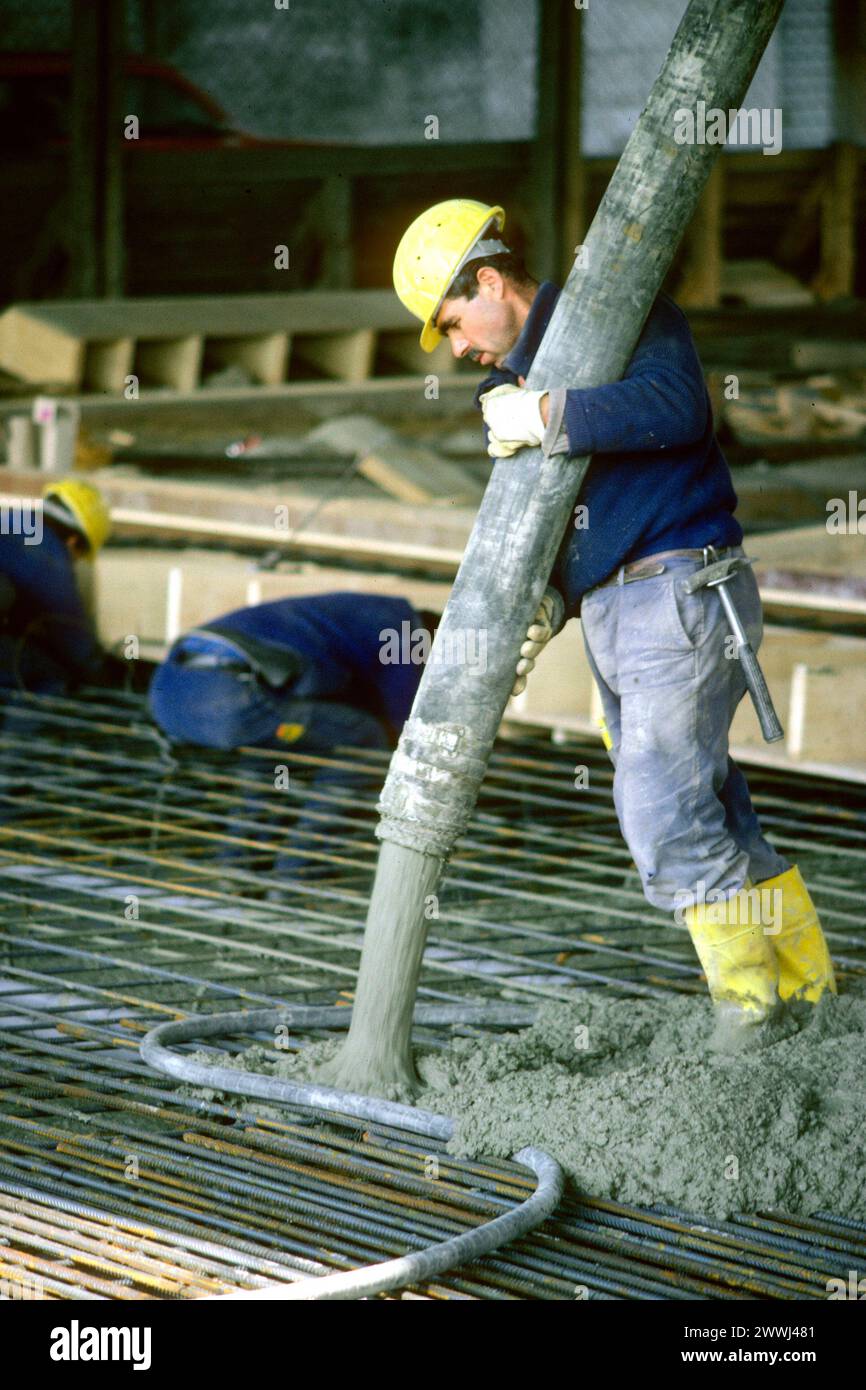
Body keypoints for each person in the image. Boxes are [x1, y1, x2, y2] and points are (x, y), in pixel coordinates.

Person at [392, 198, 835, 1041]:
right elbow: (568, 522)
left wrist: (552, 417)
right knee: (713, 806)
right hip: (621, 611)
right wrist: (548, 607)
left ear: (489, 280)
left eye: (452, 322)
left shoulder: (627, 312)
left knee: (663, 812)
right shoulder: (505, 393)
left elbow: (679, 410)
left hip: (678, 592)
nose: (457, 348)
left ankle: (750, 1023)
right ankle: (812, 995)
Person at [148, 590, 557, 874]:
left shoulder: (365, 618)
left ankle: (235, 864)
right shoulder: (407, 632)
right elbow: (408, 733)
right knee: (365, 742)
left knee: (272, 755)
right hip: (228, 697)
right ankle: (298, 872)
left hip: (172, 691)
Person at [0, 479, 110, 692]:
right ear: (73, 542)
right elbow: (73, 637)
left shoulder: (11, 520)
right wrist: (105, 679)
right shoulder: (50, 556)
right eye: (78, 557)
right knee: (51, 678)